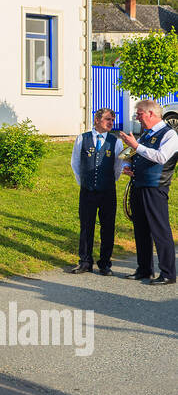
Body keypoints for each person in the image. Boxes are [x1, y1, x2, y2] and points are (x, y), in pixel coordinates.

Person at [120, 100, 178, 284]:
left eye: (139, 114)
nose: (136, 117)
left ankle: (168, 273)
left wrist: (136, 146)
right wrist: (127, 165)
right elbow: (131, 155)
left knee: (160, 230)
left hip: (155, 188)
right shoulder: (145, 135)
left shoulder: (170, 135)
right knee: (141, 230)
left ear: (151, 114)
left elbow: (160, 157)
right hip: (138, 185)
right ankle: (144, 269)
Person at [66, 107, 124, 275]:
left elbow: (118, 167)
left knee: (108, 227)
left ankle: (105, 263)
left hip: (107, 192)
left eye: (112, 120)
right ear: (97, 120)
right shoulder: (82, 139)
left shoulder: (115, 141)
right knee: (86, 226)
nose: (111, 123)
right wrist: (84, 182)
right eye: (107, 119)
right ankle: (85, 261)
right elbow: (75, 163)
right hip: (87, 191)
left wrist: (108, 182)